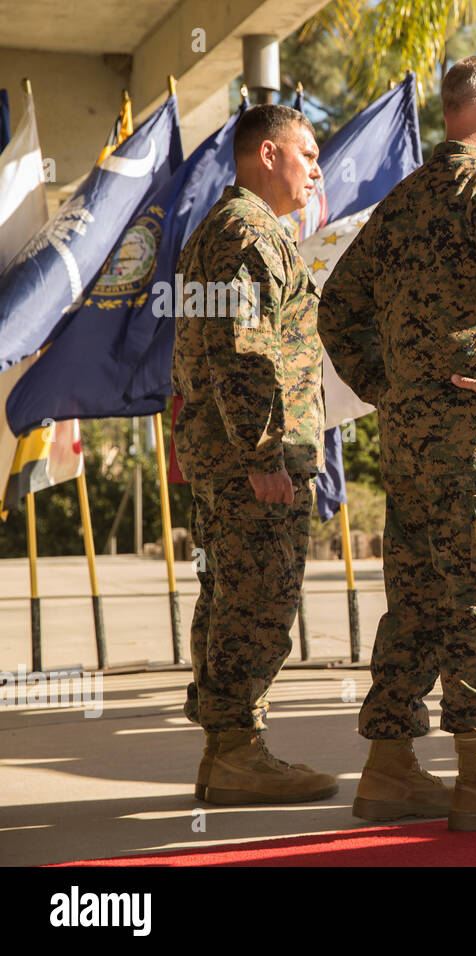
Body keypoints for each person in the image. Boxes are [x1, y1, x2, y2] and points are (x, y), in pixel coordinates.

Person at [318, 55, 476, 831]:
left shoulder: (402, 200)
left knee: (417, 602)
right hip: (473, 443)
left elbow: (336, 306)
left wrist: (389, 388)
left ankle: (389, 767)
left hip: (409, 446)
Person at [173, 103, 336, 805]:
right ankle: (238, 750)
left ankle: (226, 750)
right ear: (267, 155)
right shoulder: (246, 232)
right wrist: (266, 453)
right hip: (253, 459)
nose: (316, 171)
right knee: (258, 598)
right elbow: (241, 351)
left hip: (226, 453)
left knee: (229, 593)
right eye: (307, 155)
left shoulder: (226, 228)